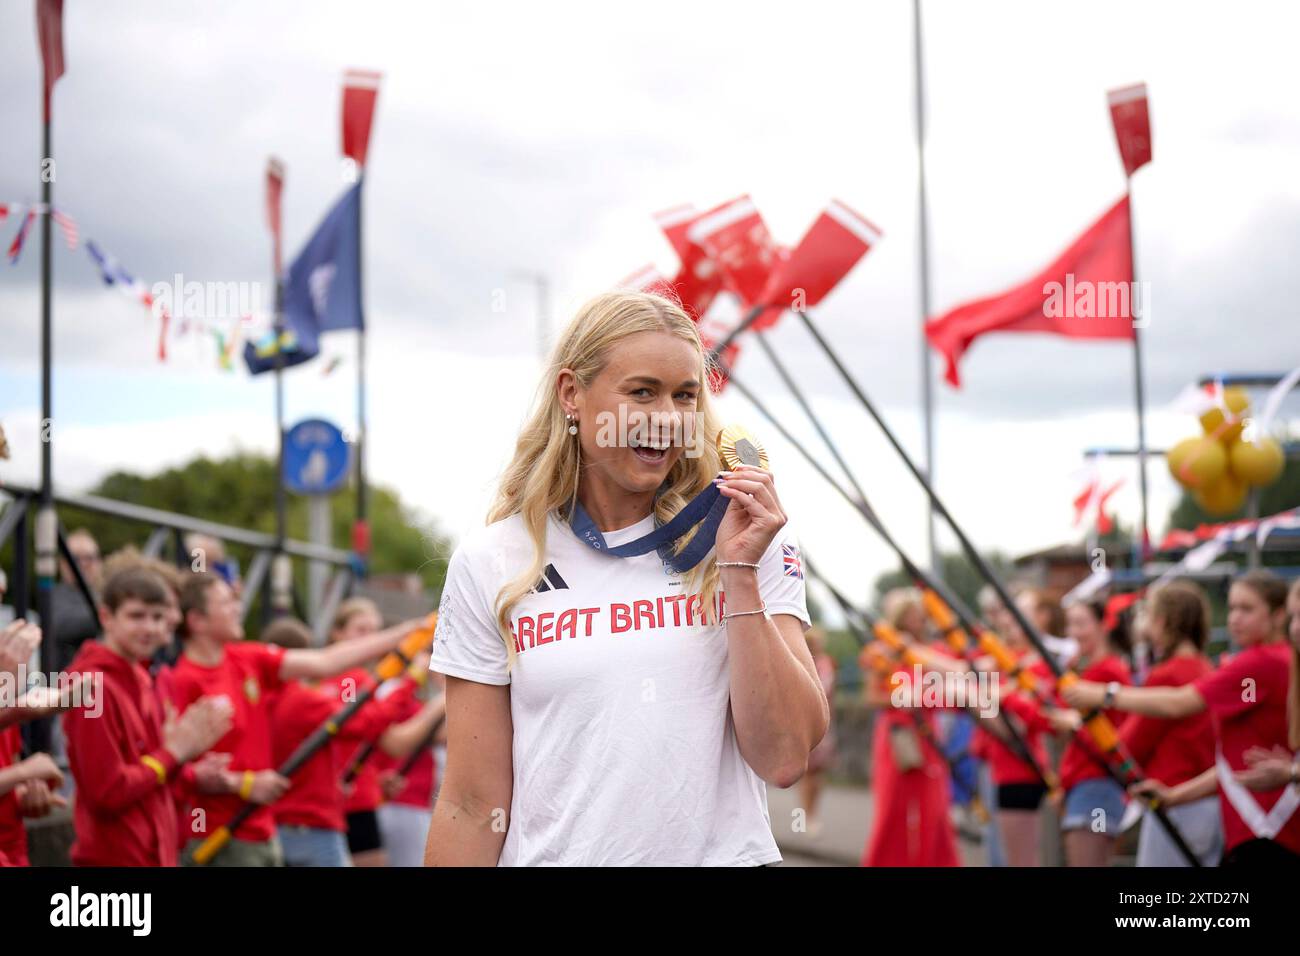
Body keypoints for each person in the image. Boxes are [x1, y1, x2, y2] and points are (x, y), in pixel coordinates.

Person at [424, 291, 825, 867]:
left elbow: (785, 757)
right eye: (642, 392)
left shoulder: (749, 538)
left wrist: (737, 570)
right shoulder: (494, 559)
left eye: (685, 396)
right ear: (571, 394)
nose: (666, 419)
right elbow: (470, 802)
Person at [167, 572, 424, 866]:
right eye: (226, 602)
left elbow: (325, 661)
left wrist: (410, 632)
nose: (238, 607)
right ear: (197, 620)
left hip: (265, 831)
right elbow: (173, 766)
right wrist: (240, 783)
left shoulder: (246, 658)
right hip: (219, 834)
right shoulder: (181, 681)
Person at [1064, 570, 1300, 865]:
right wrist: (1176, 795)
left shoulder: (1255, 662)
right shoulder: (1212, 665)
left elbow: (1158, 721)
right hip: (1227, 810)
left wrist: (1097, 701)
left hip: (1260, 821)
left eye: (1246, 608)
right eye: (1232, 608)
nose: (1234, 618)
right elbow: (1235, 761)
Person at [62, 567, 232, 867]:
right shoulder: (90, 685)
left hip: (154, 855)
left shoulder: (140, 676)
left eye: (157, 617)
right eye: (136, 616)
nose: (150, 628)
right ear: (106, 618)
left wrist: (187, 764)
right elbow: (107, 792)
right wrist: (174, 752)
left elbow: (154, 772)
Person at [1117, 582, 1220, 866]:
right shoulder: (1205, 667)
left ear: (1161, 621)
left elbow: (1131, 743)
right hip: (1209, 802)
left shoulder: (1167, 674)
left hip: (1173, 799)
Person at [860, 588, 960, 867]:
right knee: (893, 807)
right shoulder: (882, 651)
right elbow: (871, 696)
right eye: (914, 616)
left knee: (935, 808)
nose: (920, 622)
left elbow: (957, 677)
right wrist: (901, 698)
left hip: (928, 733)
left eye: (922, 616)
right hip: (897, 735)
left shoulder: (933, 652)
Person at [1053, 598, 1132, 867]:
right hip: (1085, 783)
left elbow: (1118, 732)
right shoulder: (1088, 669)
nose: (1074, 632)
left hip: (1097, 785)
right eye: (1070, 625)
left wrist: (1071, 722)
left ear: (1103, 625)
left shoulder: (1109, 670)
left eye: (1081, 623)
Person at [799, 627, 837, 838]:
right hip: (806, 723)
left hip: (823, 722)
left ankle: (812, 812)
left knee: (817, 772)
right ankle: (807, 814)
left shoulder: (826, 663)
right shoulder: (805, 662)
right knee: (807, 772)